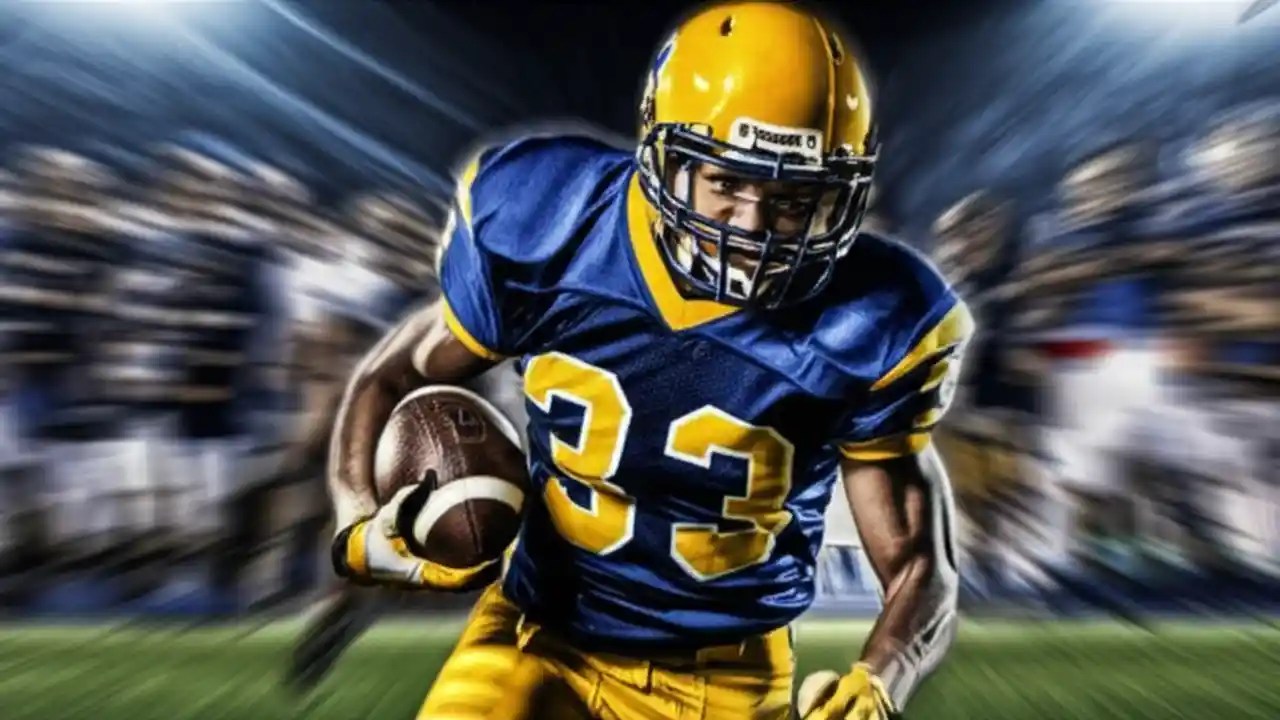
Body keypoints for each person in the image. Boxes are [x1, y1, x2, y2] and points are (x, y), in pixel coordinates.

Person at [328, 3, 967, 718]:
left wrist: (879, 683)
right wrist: (359, 524)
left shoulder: (876, 321)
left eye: (792, 199)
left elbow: (918, 562)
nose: (752, 227)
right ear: (665, 156)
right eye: (726, 183)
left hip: (726, 678)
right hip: (538, 633)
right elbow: (394, 374)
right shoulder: (554, 226)